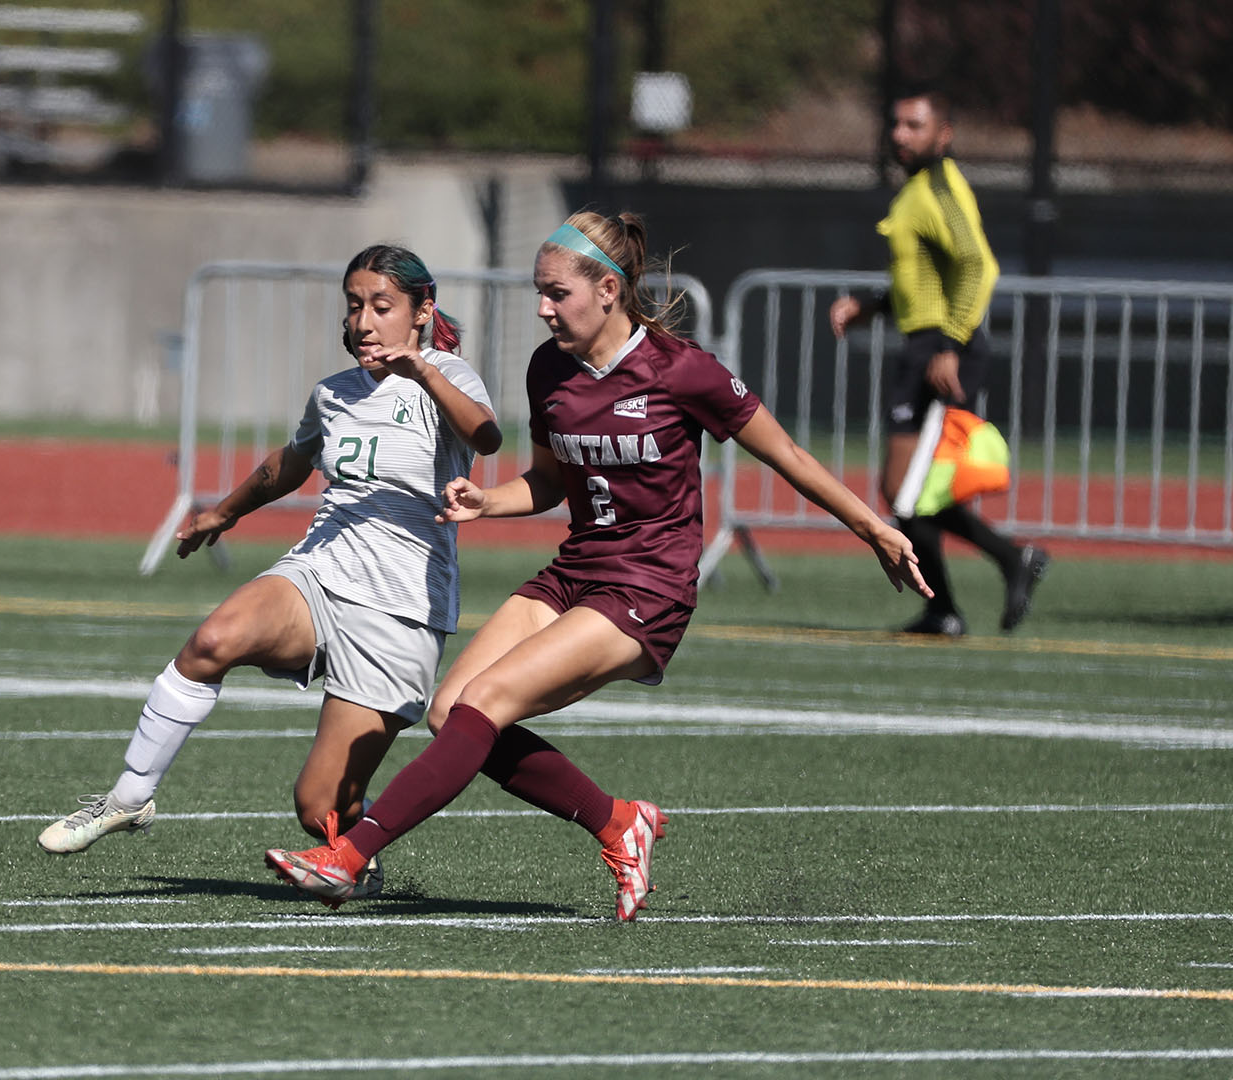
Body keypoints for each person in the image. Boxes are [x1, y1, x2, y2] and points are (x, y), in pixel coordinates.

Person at [266, 211, 929, 920]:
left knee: (485, 703)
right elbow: (548, 483)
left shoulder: (681, 370)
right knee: (450, 710)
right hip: (575, 570)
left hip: (650, 587)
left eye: (558, 293)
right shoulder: (548, 369)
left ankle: (350, 856)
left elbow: (788, 454)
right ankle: (619, 823)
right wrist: (488, 501)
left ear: (608, 290)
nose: (543, 309)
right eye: (540, 292)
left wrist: (873, 527)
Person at [39, 244, 502, 899]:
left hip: (399, 608)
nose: (364, 322)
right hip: (320, 572)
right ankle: (129, 796)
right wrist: (222, 513)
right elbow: (290, 462)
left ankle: (356, 854)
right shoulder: (334, 393)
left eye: (382, 307)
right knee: (213, 641)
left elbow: (486, 435)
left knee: (319, 807)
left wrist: (422, 371)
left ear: (422, 311)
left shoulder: (448, 377)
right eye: (355, 306)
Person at [828, 84, 1048, 637]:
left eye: (915, 125)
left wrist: (950, 343)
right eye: (897, 124)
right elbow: (925, 282)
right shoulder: (915, 192)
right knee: (906, 492)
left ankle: (968, 591)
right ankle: (974, 587)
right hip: (923, 347)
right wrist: (870, 306)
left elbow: (978, 266)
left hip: (941, 352)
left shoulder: (942, 188)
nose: (900, 135)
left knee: (906, 490)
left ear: (943, 135)